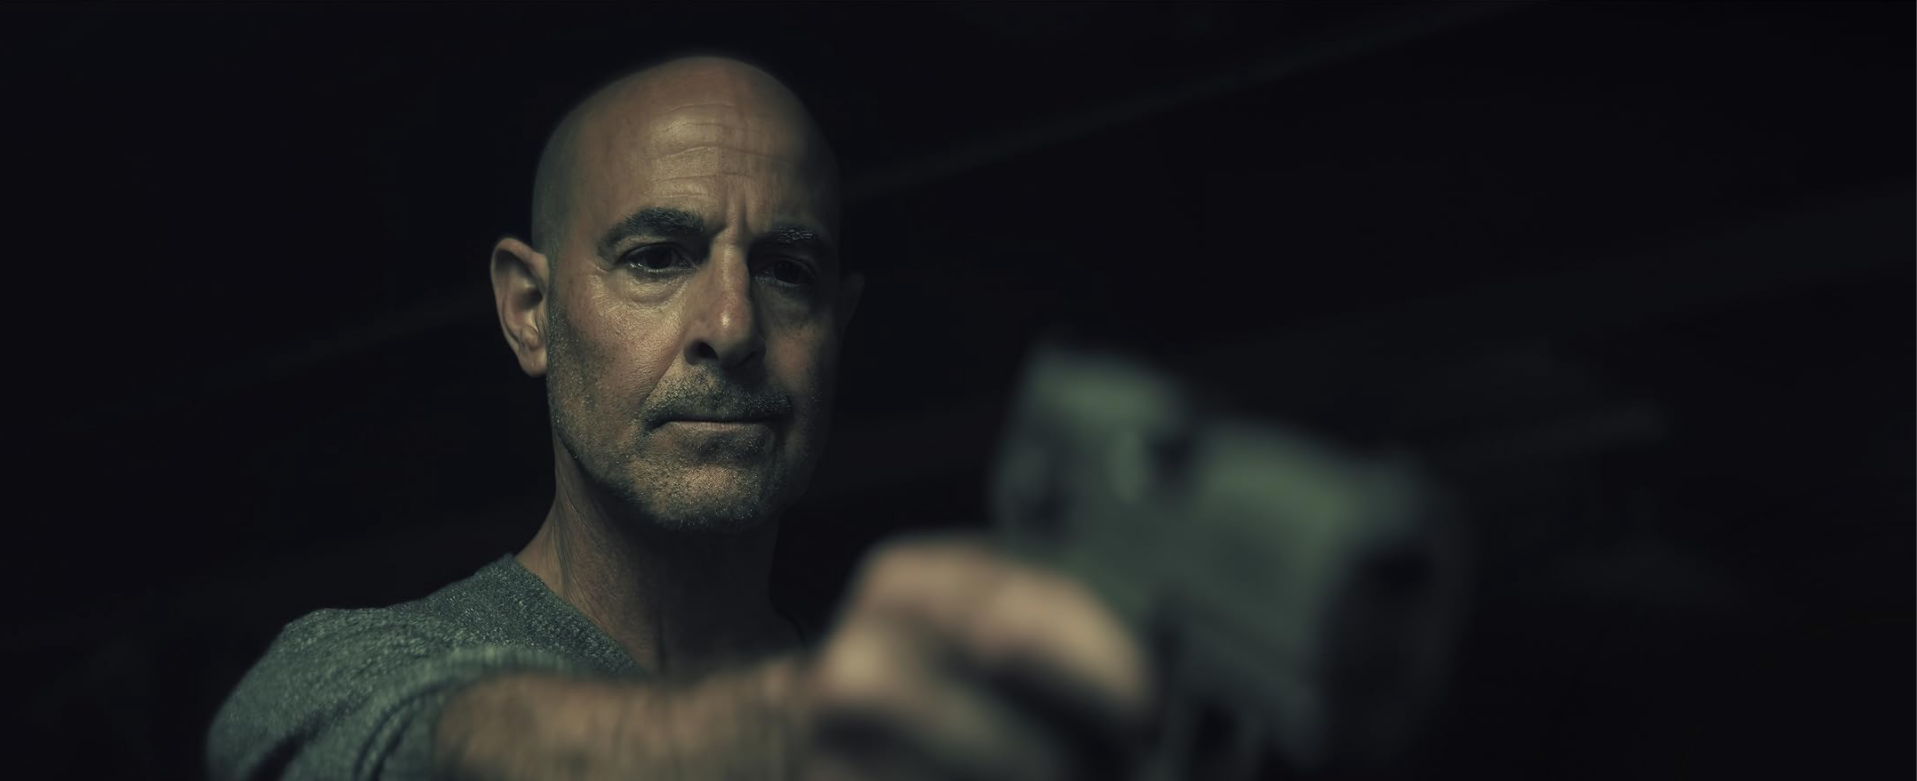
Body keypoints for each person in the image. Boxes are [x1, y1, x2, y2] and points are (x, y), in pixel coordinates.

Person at [208, 55, 1152, 781]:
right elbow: (310, 735)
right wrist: (774, 734)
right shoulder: (363, 668)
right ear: (530, 311)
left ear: (838, 326)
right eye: (657, 257)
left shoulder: (922, 732)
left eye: (786, 271)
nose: (733, 328)